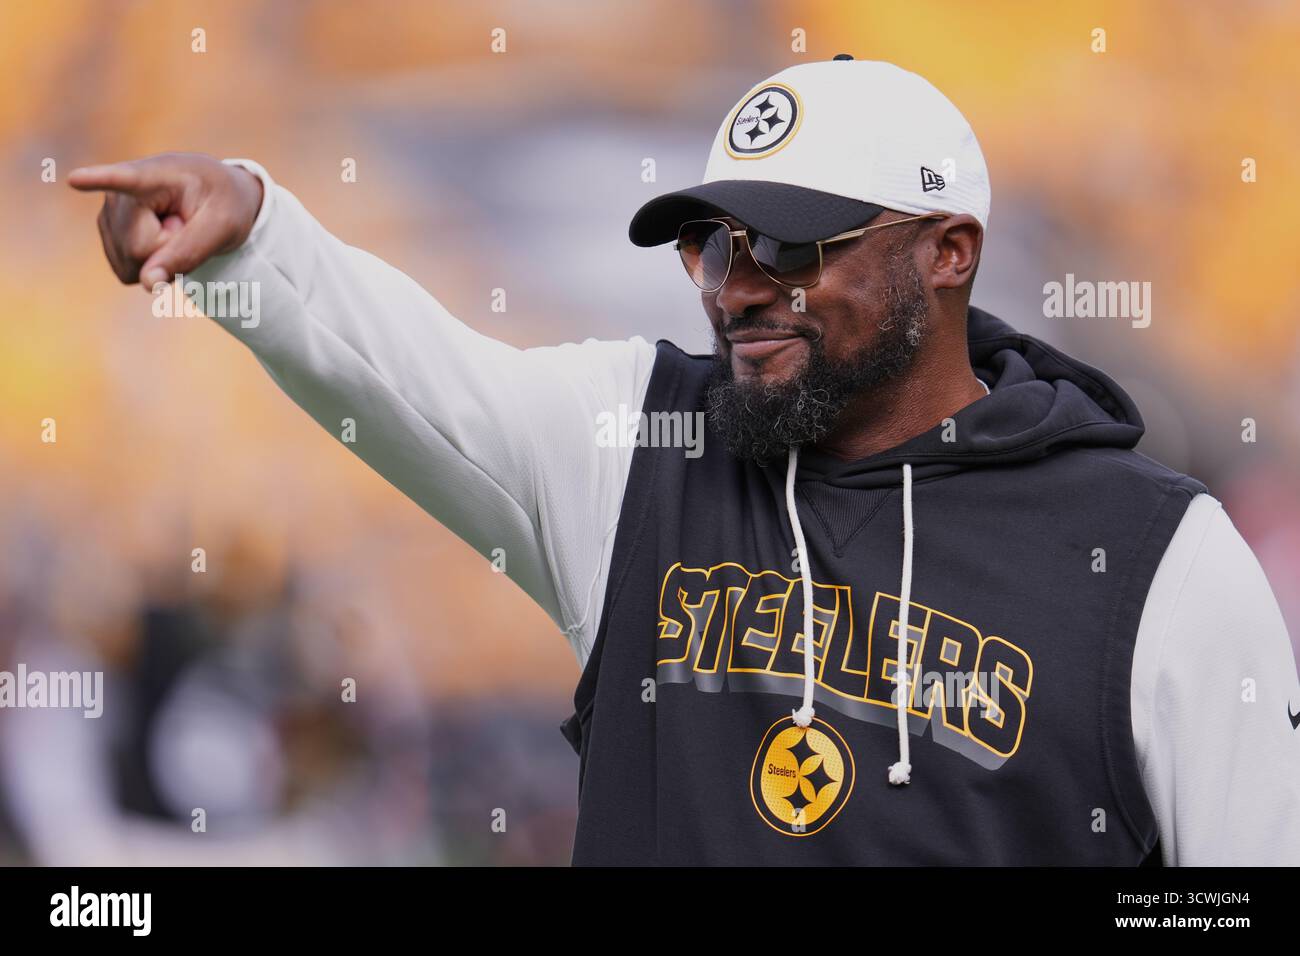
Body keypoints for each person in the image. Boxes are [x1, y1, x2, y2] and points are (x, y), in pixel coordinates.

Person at [69, 56, 1300, 865]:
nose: (740, 287)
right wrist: (254, 238)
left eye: (789, 241)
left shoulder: (1154, 554)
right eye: (710, 245)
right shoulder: (643, 447)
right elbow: (407, 371)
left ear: (949, 252)